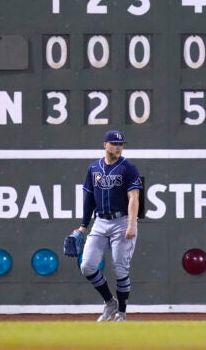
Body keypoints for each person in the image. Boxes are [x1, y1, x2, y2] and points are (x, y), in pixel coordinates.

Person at [77, 130, 143, 322]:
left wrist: (132, 224)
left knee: (120, 268)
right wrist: (83, 226)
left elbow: (134, 197)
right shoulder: (94, 168)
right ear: (104, 145)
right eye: (114, 144)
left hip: (121, 221)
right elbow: (89, 199)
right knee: (87, 266)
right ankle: (109, 302)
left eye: (121, 144)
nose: (118, 147)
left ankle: (121, 313)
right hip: (100, 221)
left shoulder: (128, 167)